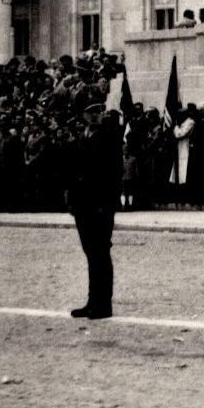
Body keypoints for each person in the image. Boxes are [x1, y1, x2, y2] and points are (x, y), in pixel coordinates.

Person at [67, 104, 123, 319]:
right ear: (83, 115)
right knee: (91, 254)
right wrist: (72, 202)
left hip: (100, 206)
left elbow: (115, 174)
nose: (95, 116)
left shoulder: (110, 137)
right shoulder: (81, 137)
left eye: (98, 112)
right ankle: (92, 301)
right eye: (90, 112)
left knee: (100, 253)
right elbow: (73, 172)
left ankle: (103, 304)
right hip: (83, 205)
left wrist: (108, 203)